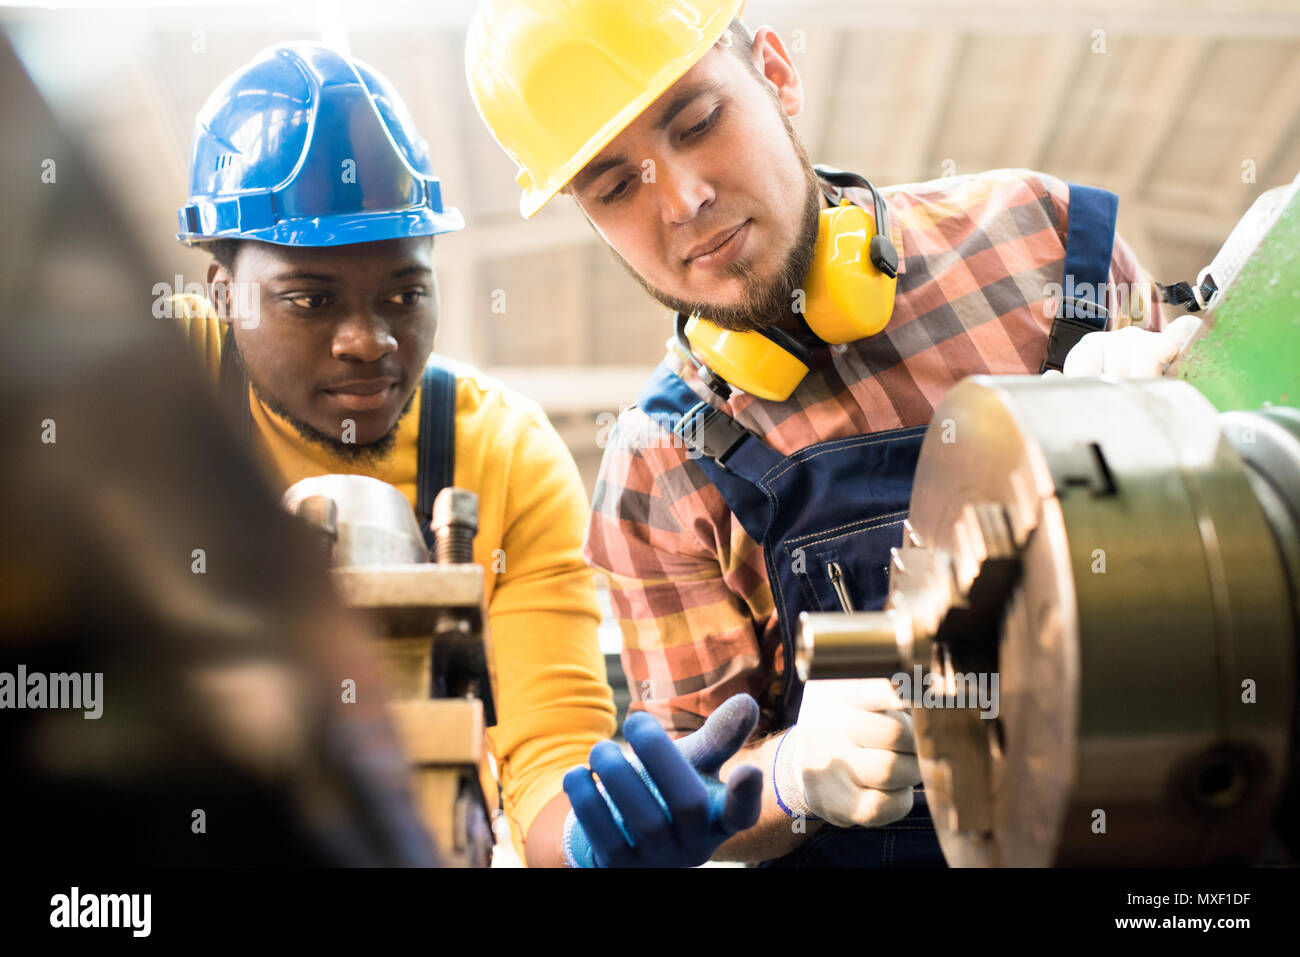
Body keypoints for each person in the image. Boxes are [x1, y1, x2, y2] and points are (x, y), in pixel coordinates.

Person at [467, 0, 1195, 866]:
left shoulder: (1043, 241)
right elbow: (703, 791)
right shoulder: (659, 468)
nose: (686, 199)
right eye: (617, 186)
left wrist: (1189, 417)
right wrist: (791, 776)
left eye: (699, 121)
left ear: (776, 73)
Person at [171, 42, 619, 866]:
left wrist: (604, 834)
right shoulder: (153, 400)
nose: (367, 341)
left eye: (404, 295)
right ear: (222, 292)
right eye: (310, 299)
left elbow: (553, 752)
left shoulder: (504, 454)